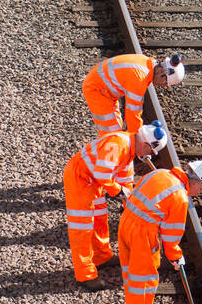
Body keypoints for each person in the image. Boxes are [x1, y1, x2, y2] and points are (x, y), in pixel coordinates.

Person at [117, 157, 202, 304]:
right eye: (201, 190)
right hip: (143, 234)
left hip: (126, 223)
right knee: (142, 282)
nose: (197, 194)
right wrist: (175, 257)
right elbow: (171, 236)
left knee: (137, 277)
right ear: (197, 181)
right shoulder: (179, 196)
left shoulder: (160, 172)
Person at [63, 122, 166, 290]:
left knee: (100, 219)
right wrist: (117, 192)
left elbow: (126, 183)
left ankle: (101, 256)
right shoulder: (119, 144)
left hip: (93, 182)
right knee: (82, 228)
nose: (149, 156)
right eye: (150, 151)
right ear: (146, 144)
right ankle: (84, 274)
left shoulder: (129, 151)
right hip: (80, 179)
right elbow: (103, 174)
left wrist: (133, 207)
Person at [82, 51, 185, 136]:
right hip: (97, 90)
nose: (163, 86)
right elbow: (133, 113)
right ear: (161, 71)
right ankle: (106, 158)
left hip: (104, 88)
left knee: (117, 129)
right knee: (112, 136)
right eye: (165, 82)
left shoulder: (145, 62)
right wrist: (137, 138)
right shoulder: (139, 79)